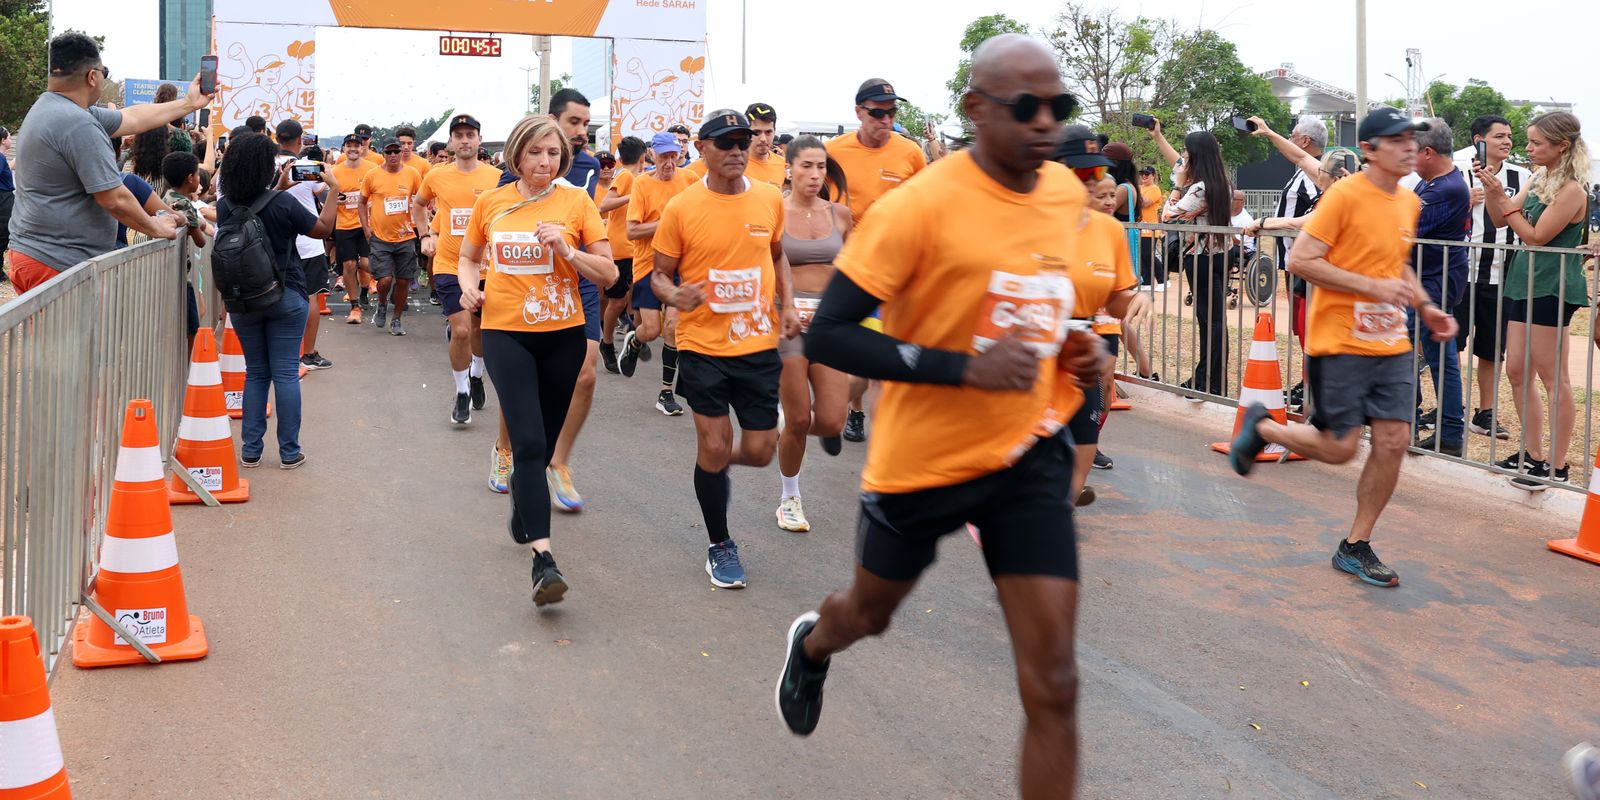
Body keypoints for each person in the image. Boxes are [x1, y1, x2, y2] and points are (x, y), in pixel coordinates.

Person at [775, 37, 1105, 800]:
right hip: (922, 462)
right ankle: (813, 646)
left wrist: (1072, 344)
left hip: (1027, 451)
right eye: (1027, 107)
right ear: (975, 108)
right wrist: (963, 369)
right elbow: (833, 335)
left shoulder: (1062, 193)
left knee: (1055, 682)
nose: (1047, 122)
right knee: (868, 614)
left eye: (1060, 106)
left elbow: (1031, 298)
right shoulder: (917, 208)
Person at [1229, 107, 1457, 589]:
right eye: (1397, 140)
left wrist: (1426, 305)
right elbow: (1303, 261)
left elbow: (1396, 263)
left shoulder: (1408, 202)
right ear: (1369, 150)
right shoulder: (1344, 196)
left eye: (1412, 139)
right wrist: (1370, 287)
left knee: (1394, 441)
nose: (1409, 147)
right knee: (1339, 449)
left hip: (1391, 341)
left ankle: (1356, 545)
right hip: (1339, 340)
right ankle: (1262, 425)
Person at [456, 113, 616, 606]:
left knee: (541, 448)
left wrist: (568, 250)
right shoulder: (492, 202)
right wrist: (469, 288)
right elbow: (467, 257)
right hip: (506, 334)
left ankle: (524, 504)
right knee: (526, 443)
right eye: (535, 152)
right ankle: (543, 561)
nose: (545, 162)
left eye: (553, 153)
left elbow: (608, 274)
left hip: (563, 336)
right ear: (517, 155)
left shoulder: (577, 202)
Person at [650, 109, 800, 588]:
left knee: (759, 452)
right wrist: (676, 295)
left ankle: (710, 466)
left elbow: (778, 255)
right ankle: (720, 544)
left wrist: (788, 305)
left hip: (757, 344)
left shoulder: (770, 199)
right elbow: (659, 275)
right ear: (701, 148)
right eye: (726, 142)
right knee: (715, 444)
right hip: (702, 345)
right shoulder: (682, 207)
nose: (737, 150)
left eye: (743, 141)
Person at [7, 33, 204, 295]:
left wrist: (189, 103)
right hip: (56, 262)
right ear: (92, 76)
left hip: (37, 255)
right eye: (104, 72)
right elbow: (114, 198)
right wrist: (156, 226)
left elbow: (132, 117)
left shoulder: (54, 109)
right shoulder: (76, 122)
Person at [500, 87, 608, 513]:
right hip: (527, 283)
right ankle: (505, 448)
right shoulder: (518, 169)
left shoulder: (589, 166)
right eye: (573, 122)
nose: (581, 132)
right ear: (551, 121)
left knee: (586, 374)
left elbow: (590, 219)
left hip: (578, 275)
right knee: (521, 378)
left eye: (585, 124)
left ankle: (558, 462)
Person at [1476, 111, 1591, 490]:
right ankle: (1533, 454)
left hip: (1552, 286)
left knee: (1553, 377)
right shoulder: (1539, 177)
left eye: (1536, 142)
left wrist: (1502, 199)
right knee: (1517, 370)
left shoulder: (1572, 189)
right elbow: (1501, 220)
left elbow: (1536, 236)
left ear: (1562, 146)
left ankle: (1555, 465)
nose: (1527, 148)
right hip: (1522, 282)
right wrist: (1493, 191)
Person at [215, 133, 340, 469]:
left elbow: (253, 211)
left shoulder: (225, 206)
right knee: (285, 373)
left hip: (244, 300)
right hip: (286, 294)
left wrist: (278, 187)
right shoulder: (283, 204)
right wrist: (334, 189)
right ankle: (289, 452)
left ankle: (251, 450)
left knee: (256, 373)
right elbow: (323, 229)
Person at [826, 77, 929, 443]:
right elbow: (817, 203)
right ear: (859, 112)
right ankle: (853, 410)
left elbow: (926, 205)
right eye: (877, 113)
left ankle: (885, 439)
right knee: (858, 359)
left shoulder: (910, 153)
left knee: (884, 358)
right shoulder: (834, 152)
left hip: (896, 268)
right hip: (849, 266)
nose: (886, 120)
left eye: (892, 113)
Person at [774, 135, 853, 532]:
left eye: (820, 166)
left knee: (833, 422)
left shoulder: (840, 215)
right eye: (806, 165)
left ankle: (789, 423)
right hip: (786, 323)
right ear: (789, 169)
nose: (814, 174)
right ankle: (789, 498)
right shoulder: (774, 211)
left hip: (829, 325)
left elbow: (854, 268)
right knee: (798, 419)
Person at [413, 114, 501, 426]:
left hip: (488, 267)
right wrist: (425, 235)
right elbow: (418, 205)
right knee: (461, 330)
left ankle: (476, 373)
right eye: (459, 135)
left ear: (479, 140)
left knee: (480, 330)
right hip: (450, 264)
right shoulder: (437, 176)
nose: (464, 140)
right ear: (451, 142)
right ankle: (462, 391)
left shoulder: (497, 177)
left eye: (470, 135)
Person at [1455, 114, 1530, 441]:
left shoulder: (1522, 175)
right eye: (1499, 136)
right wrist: (1463, 201)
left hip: (1502, 274)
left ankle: (1485, 412)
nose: (1507, 141)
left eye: (1509, 136)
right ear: (1479, 141)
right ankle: (1449, 407)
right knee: (1450, 344)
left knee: (1492, 348)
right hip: (1460, 272)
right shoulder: (1456, 172)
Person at [620, 132, 696, 415]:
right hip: (648, 264)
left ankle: (666, 392)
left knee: (673, 327)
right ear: (652, 155)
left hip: (681, 265)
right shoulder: (642, 184)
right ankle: (635, 340)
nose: (669, 162)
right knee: (651, 331)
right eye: (664, 156)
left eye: (674, 155)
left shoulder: (690, 180)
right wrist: (668, 223)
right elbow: (632, 231)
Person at [1408, 119, 1471, 456]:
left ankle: (1446, 431)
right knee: (1426, 354)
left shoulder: (1445, 188)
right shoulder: (1434, 183)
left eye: (1411, 151)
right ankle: (1427, 424)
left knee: (1432, 356)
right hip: (1428, 278)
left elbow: (1404, 228)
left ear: (1428, 152)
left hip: (1434, 281)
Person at [1158, 128, 1233, 397]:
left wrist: (1177, 187)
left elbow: (1168, 217)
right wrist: (1158, 136)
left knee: (1210, 321)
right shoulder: (1222, 183)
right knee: (1213, 320)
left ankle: (1208, 383)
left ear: (1197, 155)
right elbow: (1177, 163)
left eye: (1187, 152)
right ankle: (1208, 379)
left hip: (1201, 258)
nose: (1184, 156)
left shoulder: (1200, 189)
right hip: (1219, 255)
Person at [273, 118, 334, 371]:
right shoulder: (307, 167)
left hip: (274, 244)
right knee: (310, 298)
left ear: (277, 139)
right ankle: (308, 353)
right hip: (309, 241)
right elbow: (324, 191)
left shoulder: (264, 165)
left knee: (275, 297)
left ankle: (279, 352)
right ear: (300, 140)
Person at [358, 136, 422, 335]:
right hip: (380, 237)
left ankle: (396, 319)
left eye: (396, 151)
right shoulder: (372, 175)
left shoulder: (412, 174)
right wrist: (366, 228)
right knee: (384, 280)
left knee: (403, 281)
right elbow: (361, 202)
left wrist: (422, 225)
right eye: (389, 152)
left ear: (401, 152)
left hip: (406, 236)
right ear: (383, 153)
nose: (393, 155)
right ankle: (382, 303)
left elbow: (422, 200)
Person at [596, 135, 648, 374]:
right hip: (619, 248)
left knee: (635, 299)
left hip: (635, 248)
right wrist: (633, 195)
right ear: (643, 157)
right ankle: (606, 344)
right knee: (617, 301)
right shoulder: (626, 176)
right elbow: (604, 205)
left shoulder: (637, 178)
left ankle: (634, 335)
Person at [160, 150, 209, 341]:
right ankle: (189, 360)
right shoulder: (184, 204)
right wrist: (197, 224)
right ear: (190, 178)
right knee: (191, 327)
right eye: (197, 174)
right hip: (181, 274)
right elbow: (201, 241)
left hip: (169, 270)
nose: (199, 179)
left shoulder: (167, 196)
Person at [330, 134, 376, 322]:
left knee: (366, 263)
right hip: (344, 225)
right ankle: (355, 307)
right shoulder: (335, 171)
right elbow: (326, 198)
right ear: (344, 149)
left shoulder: (372, 169)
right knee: (349, 264)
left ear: (362, 148)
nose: (353, 149)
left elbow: (378, 192)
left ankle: (364, 291)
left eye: (356, 145)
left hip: (367, 224)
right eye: (349, 146)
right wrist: (336, 200)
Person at [743, 103, 787, 187]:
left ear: (774, 131)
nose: (763, 139)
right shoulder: (736, 164)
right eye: (757, 132)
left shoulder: (781, 163)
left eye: (768, 132)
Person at [0, 127, 14, 283]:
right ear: (3, 140)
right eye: (9, 137)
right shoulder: (0, 157)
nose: (11, 140)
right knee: (3, 233)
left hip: (5, 197)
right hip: (3, 199)